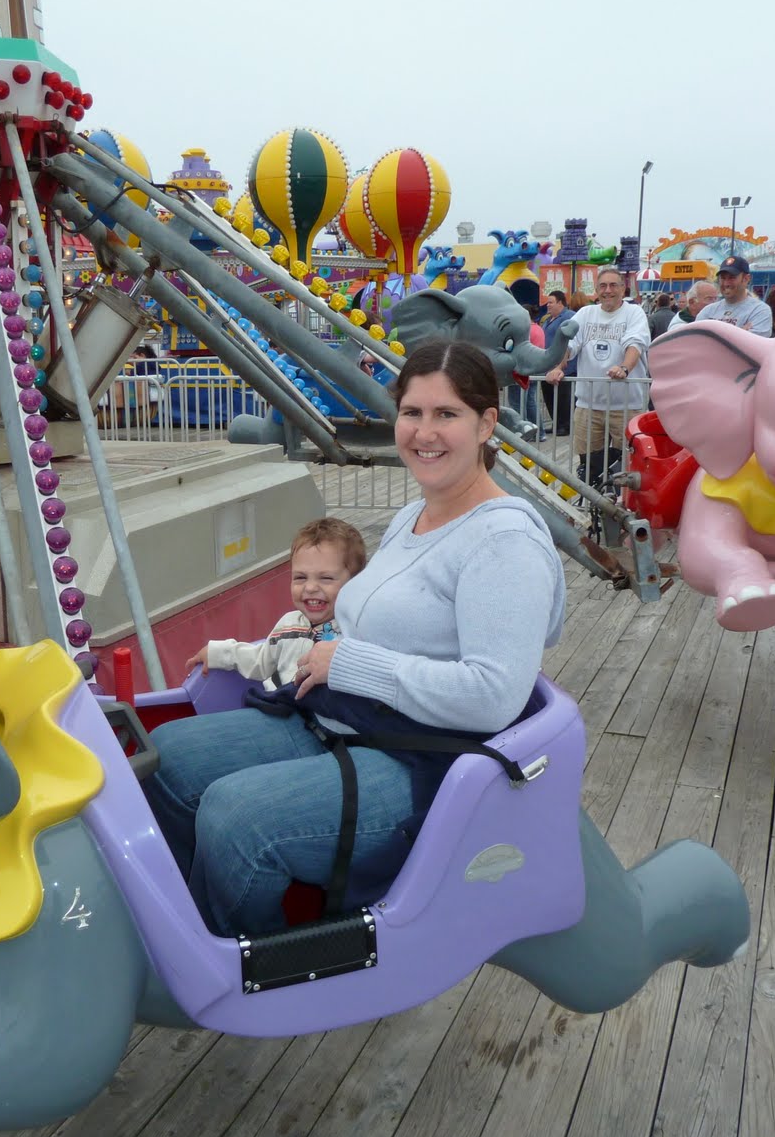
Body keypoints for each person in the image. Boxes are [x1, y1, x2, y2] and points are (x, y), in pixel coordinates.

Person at [143, 340, 566, 936]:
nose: (425, 432)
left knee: (235, 818)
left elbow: (494, 695)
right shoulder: (410, 516)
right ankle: (196, 912)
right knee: (169, 760)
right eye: (412, 413)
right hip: (345, 719)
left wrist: (351, 662)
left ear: (487, 424)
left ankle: (235, 958)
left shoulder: (504, 542)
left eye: (447, 414)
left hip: (422, 757)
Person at [186, 518, 366, 690]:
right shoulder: (288, 625)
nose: (310, 587)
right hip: (276, 706)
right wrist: (217, 653)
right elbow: (260, 660)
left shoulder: (355, 632)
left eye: (326, 578)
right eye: (300, 577)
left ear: (356, 583)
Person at [543, 266, 650, 489]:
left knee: (626, 464)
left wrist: (624, 368)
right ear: (596, 290)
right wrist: (558, 367)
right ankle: (590, 506)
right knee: (588, 463)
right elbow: (569, 345)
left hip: (626, 406)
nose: (607, 290)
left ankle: (623, 508)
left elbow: (635, 344)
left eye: (613, 285)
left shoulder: (634, 312)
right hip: (588, 405)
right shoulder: (585, 314)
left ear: (623, 288)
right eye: (603, 286)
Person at [696, 256, 772, 336]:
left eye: (732, 278)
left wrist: (713, 336)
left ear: (746, 279)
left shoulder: (759, 310)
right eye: (723, 278)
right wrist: (740, 332)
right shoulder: (708, 311)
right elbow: (697, 341)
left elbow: (752, 344)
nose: (726, 283)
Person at [538, 289, 576, 437]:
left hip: (563, 367)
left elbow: (573, 340)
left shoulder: (569, 317)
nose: (548, 305)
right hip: (547, 365)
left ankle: (565, 425)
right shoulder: (548, 319)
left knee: (562, 398)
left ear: (560, 303)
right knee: (549, 396)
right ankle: (557, 423)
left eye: (551, 302)